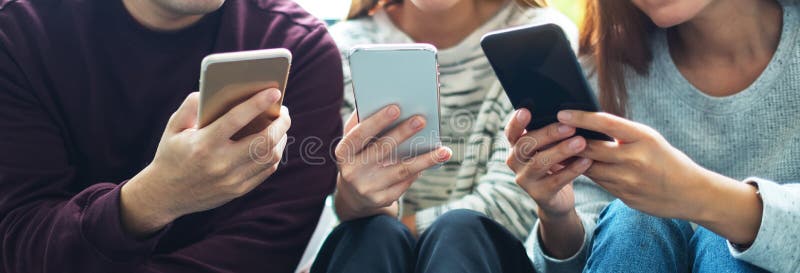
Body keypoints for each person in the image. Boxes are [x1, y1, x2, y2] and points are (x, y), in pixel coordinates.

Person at [0, 0, 343, 272]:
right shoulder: (19, 34)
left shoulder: (299, 47)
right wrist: (152, 199)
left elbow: (264, 248)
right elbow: (18, 244)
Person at [505, 0, 799, 272]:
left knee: (721, 241)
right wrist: (558, 217)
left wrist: (699, 196)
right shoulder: (606, 73)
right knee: (633, 218)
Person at [312, 0, 577, 272]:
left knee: (460, 231)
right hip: (379, 248)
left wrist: (409, 241)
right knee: (372, 234)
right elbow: (350, 206)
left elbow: (513, 204)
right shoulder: (344, 46)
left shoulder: (536, 37)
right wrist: (357, 200)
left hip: (487, 254)